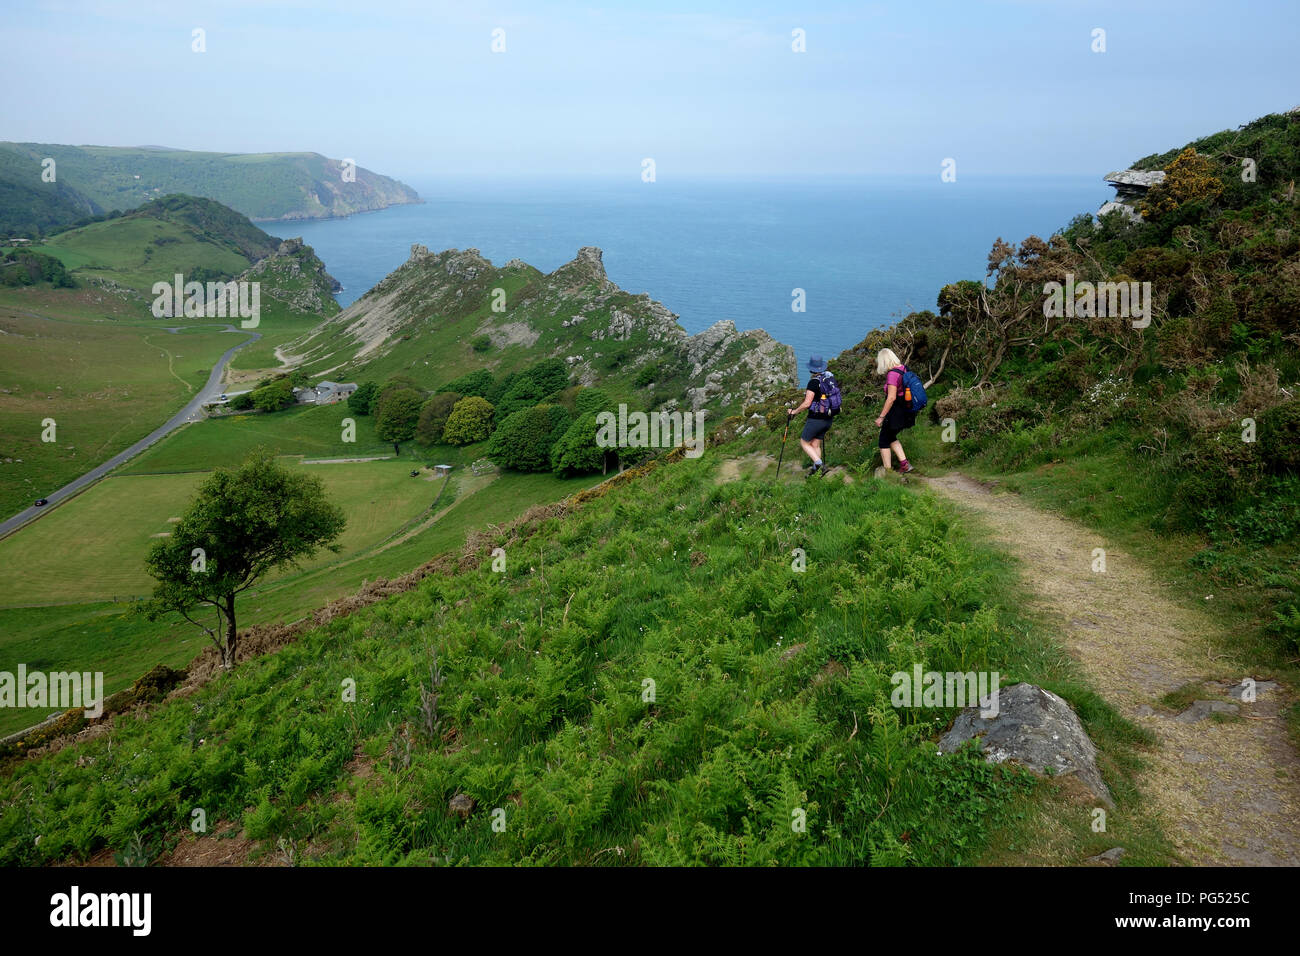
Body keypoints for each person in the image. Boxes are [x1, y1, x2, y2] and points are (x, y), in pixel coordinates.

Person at [788, 355, 836, 477]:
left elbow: (807, 403)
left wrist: (794, 412)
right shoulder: (828, 378)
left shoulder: (814, 383)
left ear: (811, 369)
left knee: (804, 442)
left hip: (816, 419)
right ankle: (816, 471)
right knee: (815, 444)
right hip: (828, 418)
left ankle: (820, 464)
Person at [874, 348, 915, 474]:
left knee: (883, 440)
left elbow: (891, 398)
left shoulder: (892, 374)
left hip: (896, 410)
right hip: (907, 409)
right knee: (891, 436)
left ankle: (888, 471)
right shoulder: (903, 368)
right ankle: (905, 464)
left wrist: (881, 417)